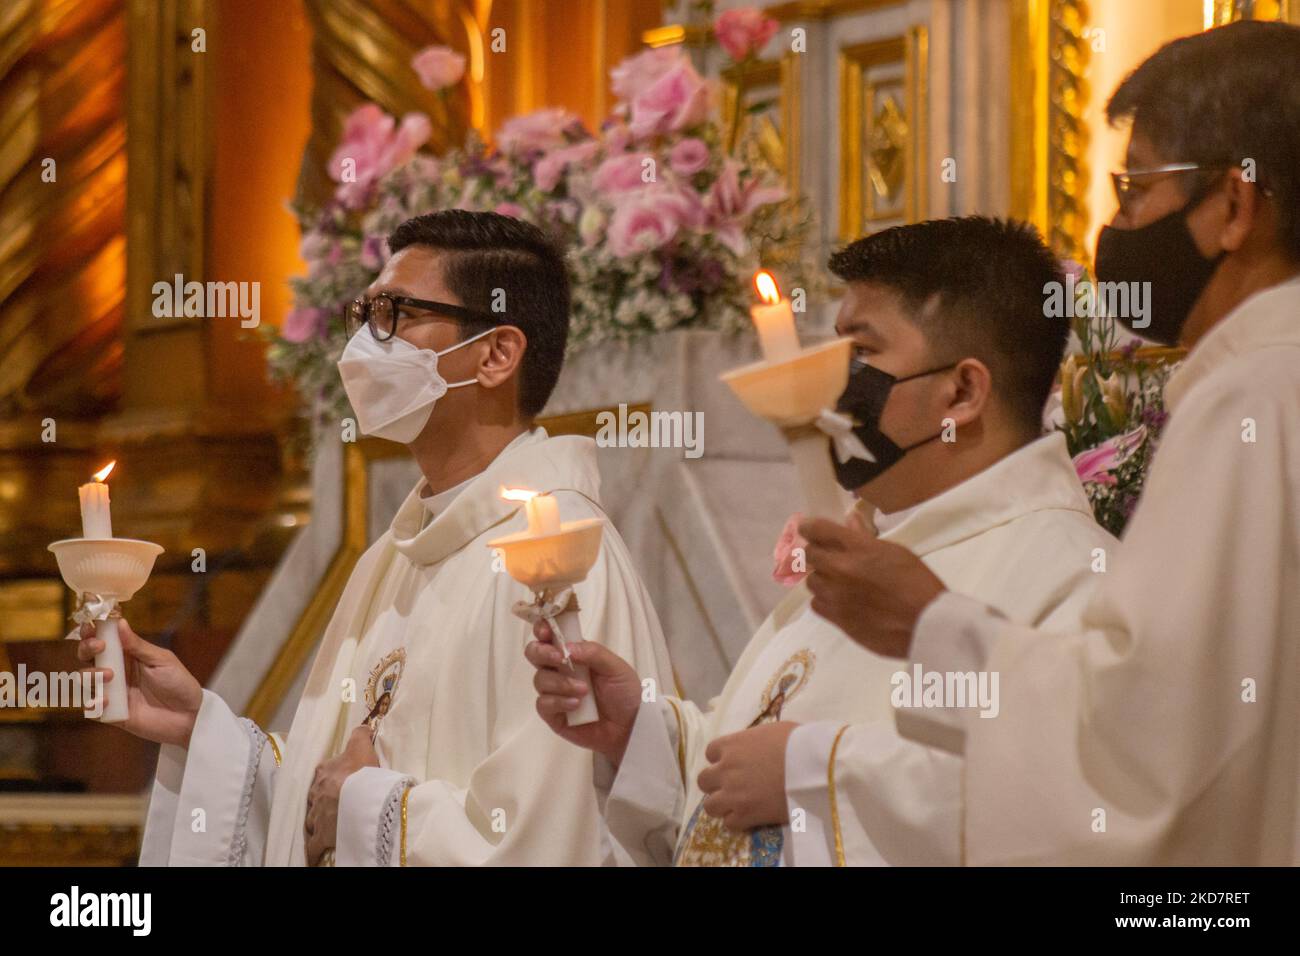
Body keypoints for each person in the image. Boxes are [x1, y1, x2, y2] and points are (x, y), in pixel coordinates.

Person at [800, 20, 1300, 865]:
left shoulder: (1252, 399)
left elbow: (1152, 750)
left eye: (1136, 192)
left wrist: (931, 625)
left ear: (1235, 205)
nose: (1118, 225)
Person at [77, 210, 674, 866]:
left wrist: (364, 802)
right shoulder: (388, 560)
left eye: (396, 314)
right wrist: (204, 735)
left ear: (497, 354)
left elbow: (550, 841)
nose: (366, 342)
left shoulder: (561, 559)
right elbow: (322, 807)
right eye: (364, 314)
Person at [527, 217, 1116, 865]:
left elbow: (1067, 809)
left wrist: (816, 773)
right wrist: (639, 734)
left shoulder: (1074, 576)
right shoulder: (874, 547)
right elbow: (747, 772)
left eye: (860, 354)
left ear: (963, 391)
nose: (833, 382)